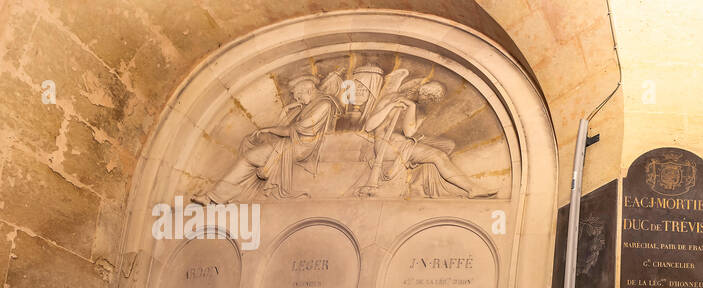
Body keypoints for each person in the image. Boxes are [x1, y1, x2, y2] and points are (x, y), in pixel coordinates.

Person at [195, 73, 341, 203]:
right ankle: (236, 191)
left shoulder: (324, 104)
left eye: (299, 96)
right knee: (249, 141)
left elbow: (297, 129)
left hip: (301, 148)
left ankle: (214, 197)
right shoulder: (313, 104)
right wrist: (287, 109)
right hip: (293, 142)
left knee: (249, 156)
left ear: (309, 90)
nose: (299, 101)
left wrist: (271, 129)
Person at [357, 79, 495, 198]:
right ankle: (472, 189)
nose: (427, 101)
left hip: (405, 144)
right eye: (427, 97)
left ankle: (445, 182)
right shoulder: (391, 98)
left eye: (430, 99)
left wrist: (411, 106)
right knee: (438, 155)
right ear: (421, 91)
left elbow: (409, 132)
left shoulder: (418, 108)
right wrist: (391, 106)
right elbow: (369, 126)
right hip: (386, 146)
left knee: (448, 145)